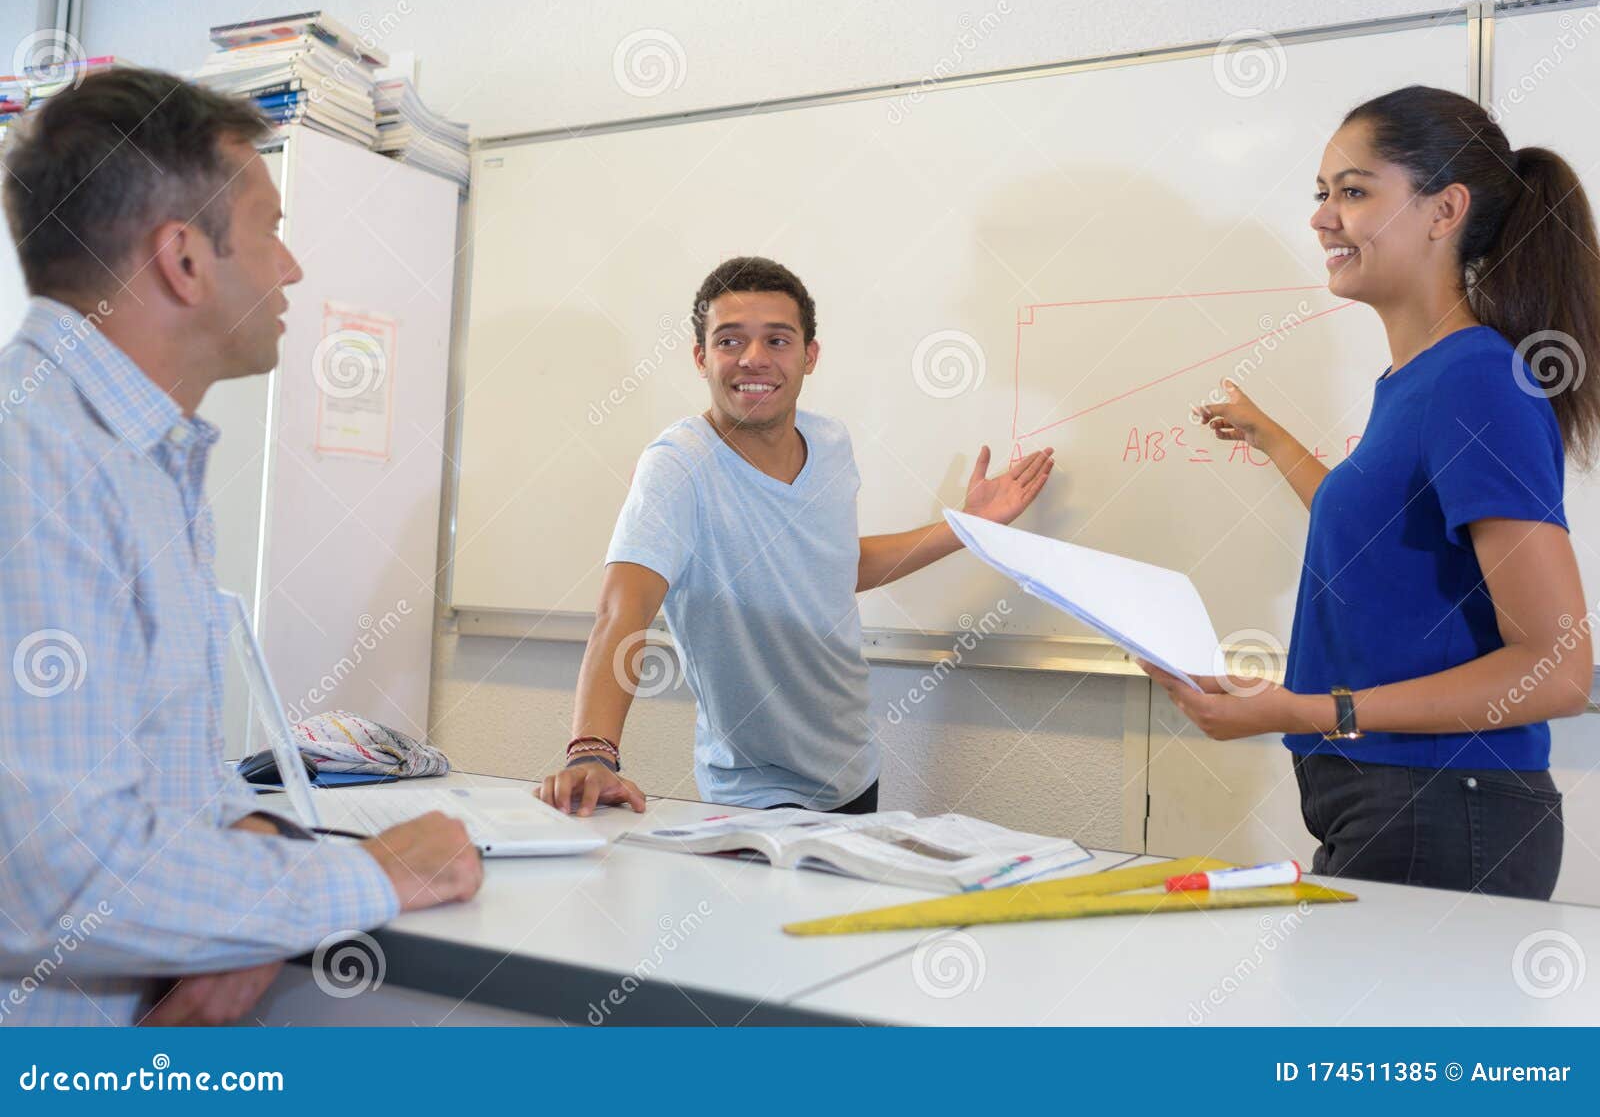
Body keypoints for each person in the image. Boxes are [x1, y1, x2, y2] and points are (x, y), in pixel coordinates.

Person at [0, 68, 483, 1026]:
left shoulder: (139, 456)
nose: (291, 268)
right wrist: (368, 878)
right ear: (183, 259)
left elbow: (157, 777)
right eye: (270, 230)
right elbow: (49, 879)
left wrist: (258, 882)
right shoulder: (36, 466)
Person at [1141, 84, 1599, 900]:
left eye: (1353, 193)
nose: (1322, 218)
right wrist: (1272, 439)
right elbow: (1384, 537)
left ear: (1444, 210)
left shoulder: (1476, 380)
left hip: (1445, 808)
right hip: (1395, 803)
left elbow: (1558, 670)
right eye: (1322, 194)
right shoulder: (1419, 381)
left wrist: (1309, 710)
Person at [537, 257, 1053, 816]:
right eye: (730, 340)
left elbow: (834, 565)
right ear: (701, 357)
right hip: (752, 793)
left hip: (853, 771)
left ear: (810, 355)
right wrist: (592, 753)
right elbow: (623, 608)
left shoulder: (830, 443)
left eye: (777, 340)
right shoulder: (678, 465)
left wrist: (964, 526)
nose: (753, 358)